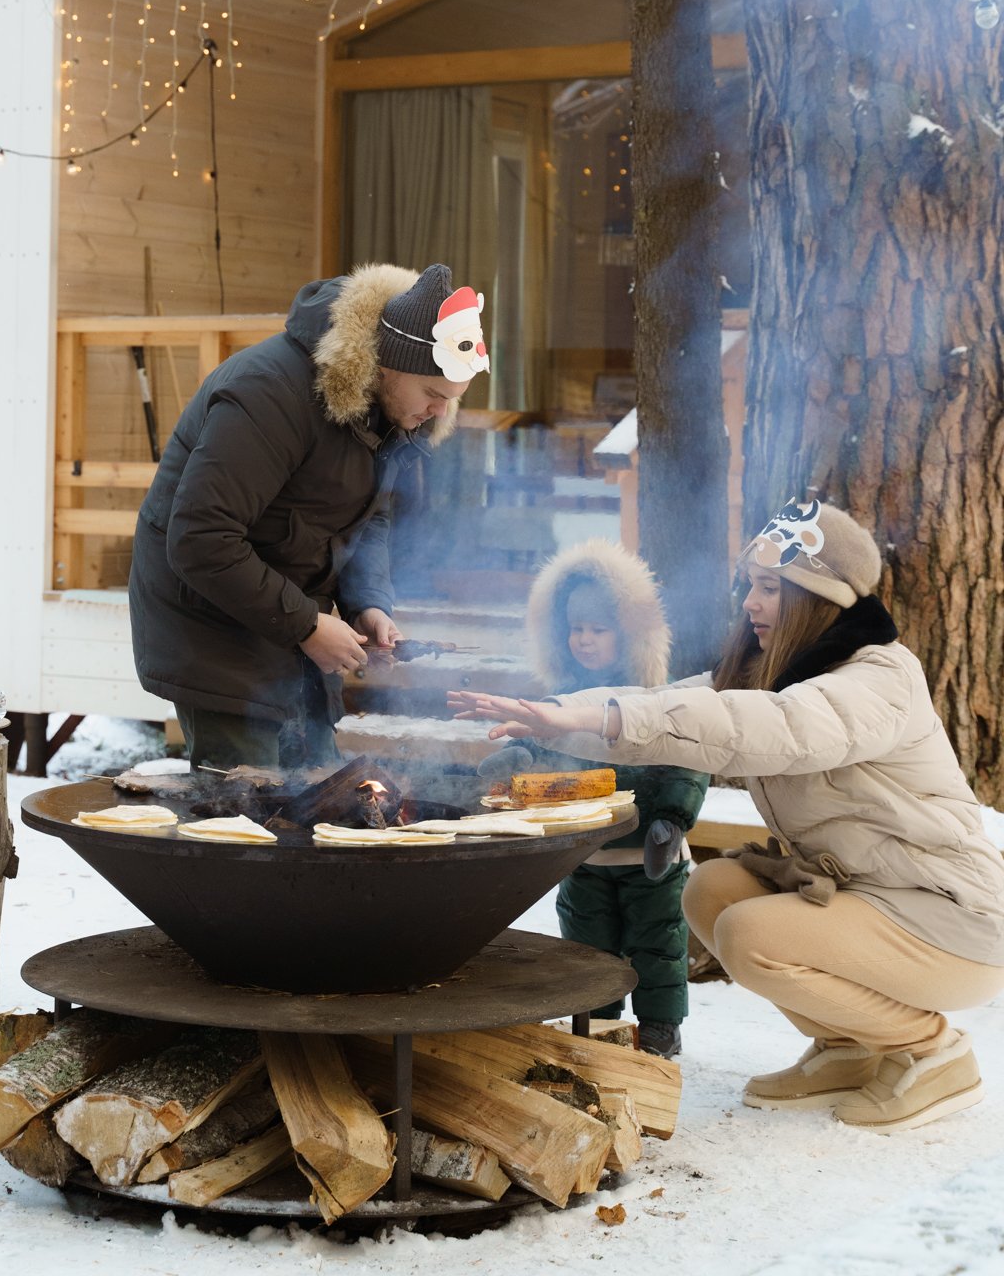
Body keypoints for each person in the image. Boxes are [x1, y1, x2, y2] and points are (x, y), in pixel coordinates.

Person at [451, 500, 1004, 1132]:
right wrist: (554, 712)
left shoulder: (878, 679)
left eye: (769, 587)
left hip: (950, 919)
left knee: (752, 936)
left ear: (815, 596)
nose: (750, 602)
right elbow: (664, 707)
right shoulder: (776, 673)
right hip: (872, 900)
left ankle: (934, 1052)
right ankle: (849, 1047)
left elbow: (769, 728)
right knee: (712, 891)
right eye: (750, 584)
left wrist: (595, 716)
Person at [130, 262, 489, 769]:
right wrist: (306, 626)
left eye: (450, 400)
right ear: (386, 364)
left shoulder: (383, 410)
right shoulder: (268, 393)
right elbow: (201, 539)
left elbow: (370, 516)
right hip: (213, 625)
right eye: (433, 395)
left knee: (320, 790)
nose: (438, 412)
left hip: (286, 614)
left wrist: (368, 602)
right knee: (245, 804)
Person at [488, 540, 707, 1058]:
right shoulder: (558, 697)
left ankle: (659, 1024)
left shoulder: (661, 696)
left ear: (628, 634)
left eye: (598, 629)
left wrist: (673, 818)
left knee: (658, 940)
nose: (584, 640)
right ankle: (597, 1020)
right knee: (587, 942)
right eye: (575, 629)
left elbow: (690, 758)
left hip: (649, 849)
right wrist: (515, 762)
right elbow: (535, 739)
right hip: (583, 852)